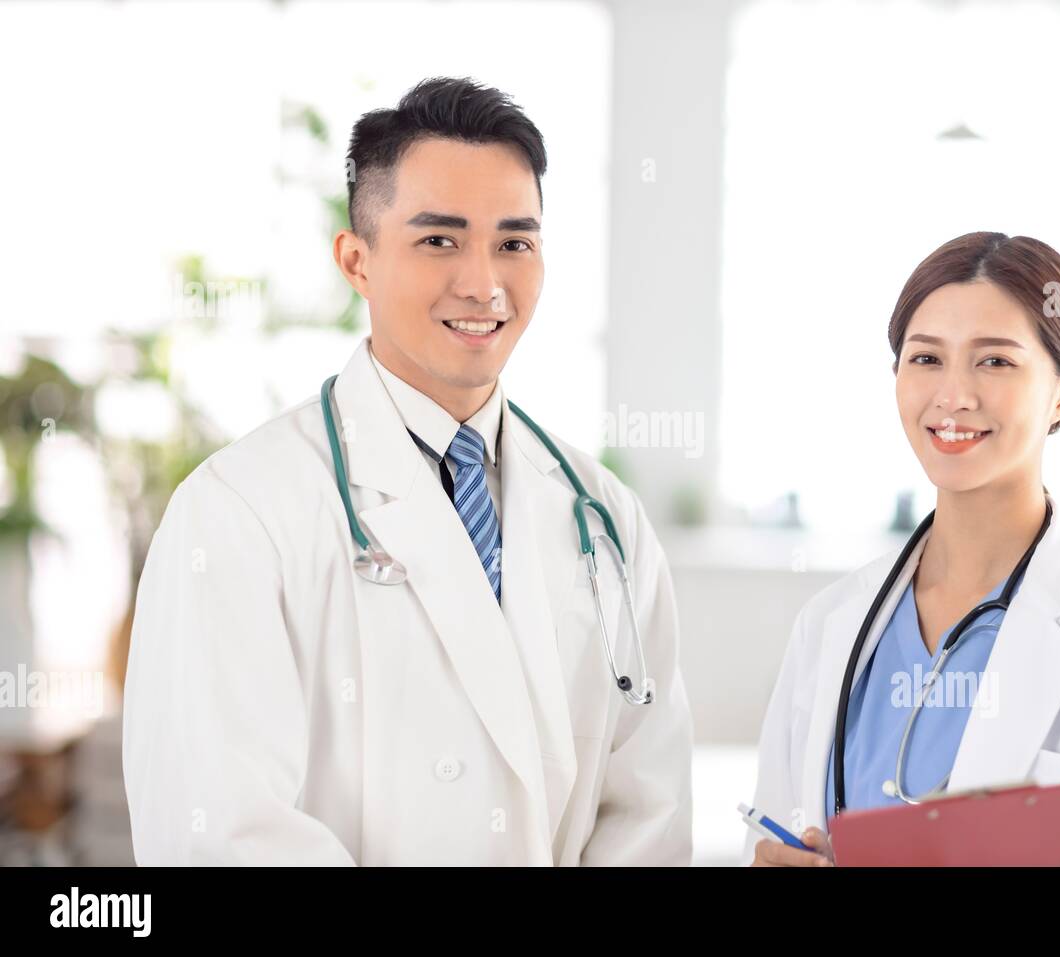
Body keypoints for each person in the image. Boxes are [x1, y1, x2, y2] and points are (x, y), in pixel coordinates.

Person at [123, 77, 693, 865]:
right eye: (439, 240)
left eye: (514, 242)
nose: (484, 283)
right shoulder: (237, 512)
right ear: (357, 260)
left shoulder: (605, 517)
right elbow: (221, 831)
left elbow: (649, 806)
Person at [746, 231, 1060, 867]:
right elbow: (775, 833)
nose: (954, 397)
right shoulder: (828, 627)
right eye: (926, 359)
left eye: (994, 361)